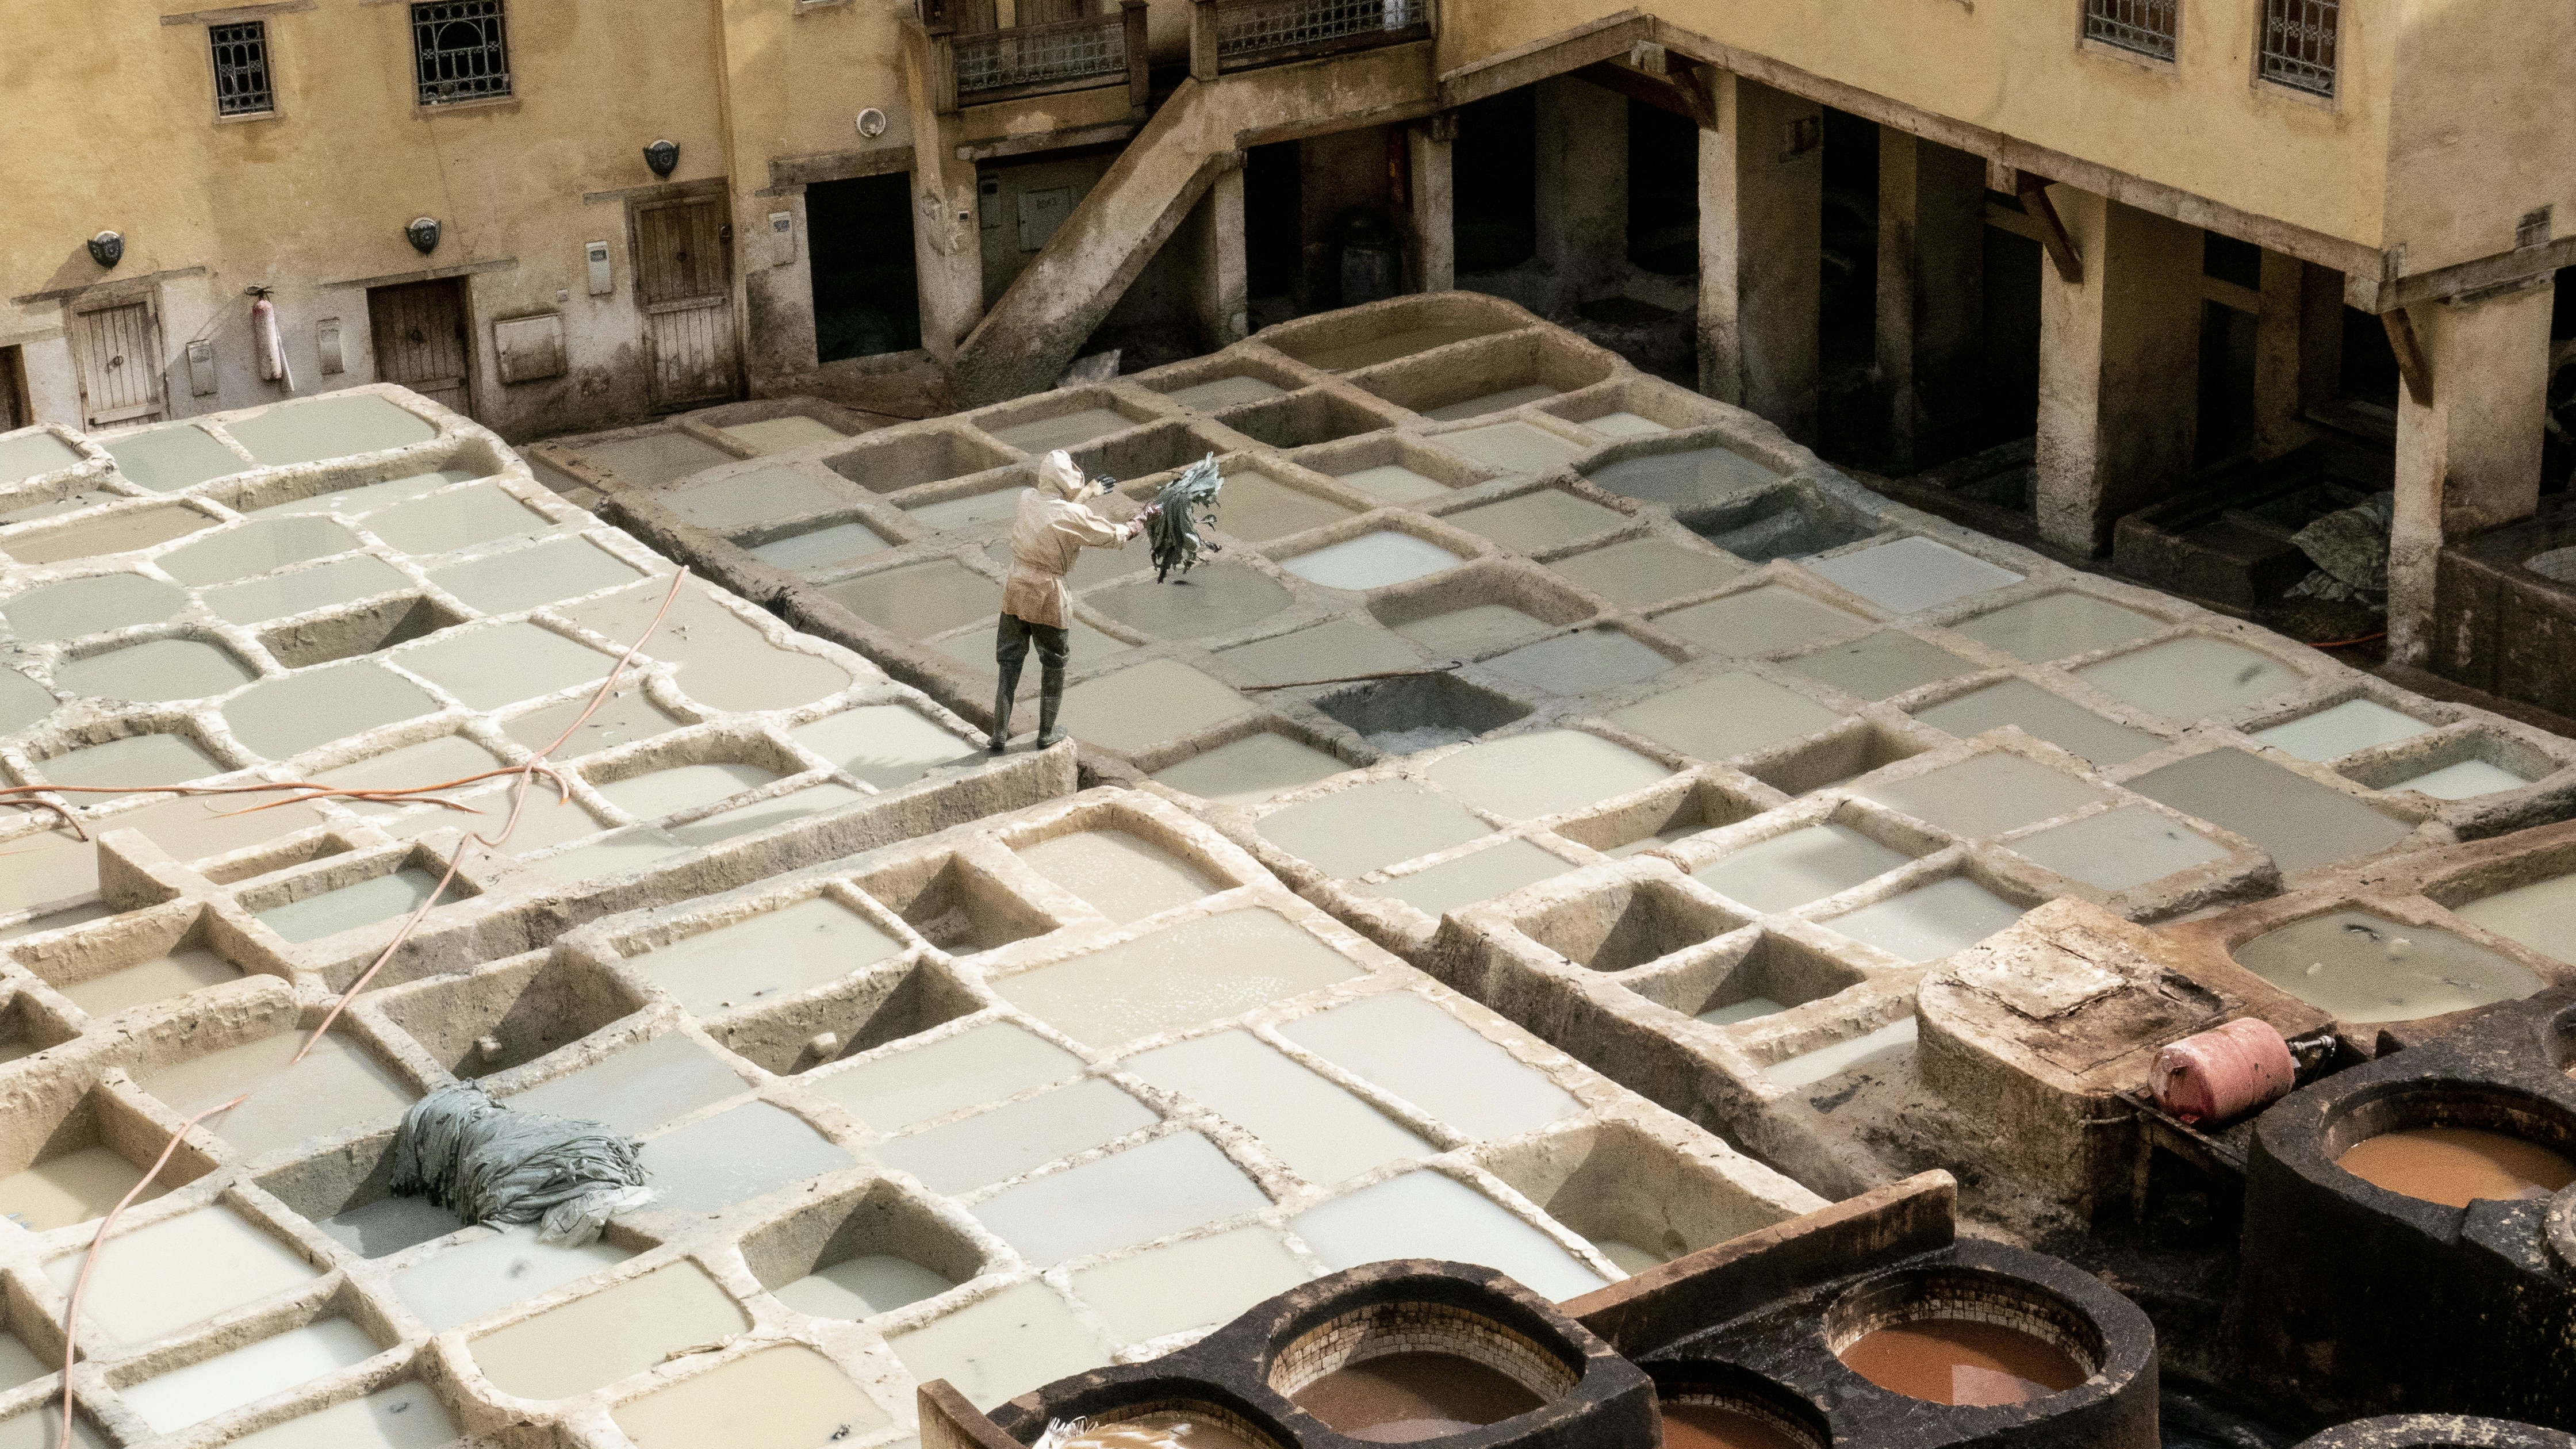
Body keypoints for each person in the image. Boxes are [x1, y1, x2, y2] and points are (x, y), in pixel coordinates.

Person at [993, 449, 1155, 750]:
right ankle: (1046, 732)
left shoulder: (1027, 498)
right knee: (1054, 663)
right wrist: (1144, 516)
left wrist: (1089, 492)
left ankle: (999, 733)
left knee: (1010, 662)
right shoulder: (1073, 515)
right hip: (1048, 594)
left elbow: (1055, 512)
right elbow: (1116, 534)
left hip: (1016, 587)